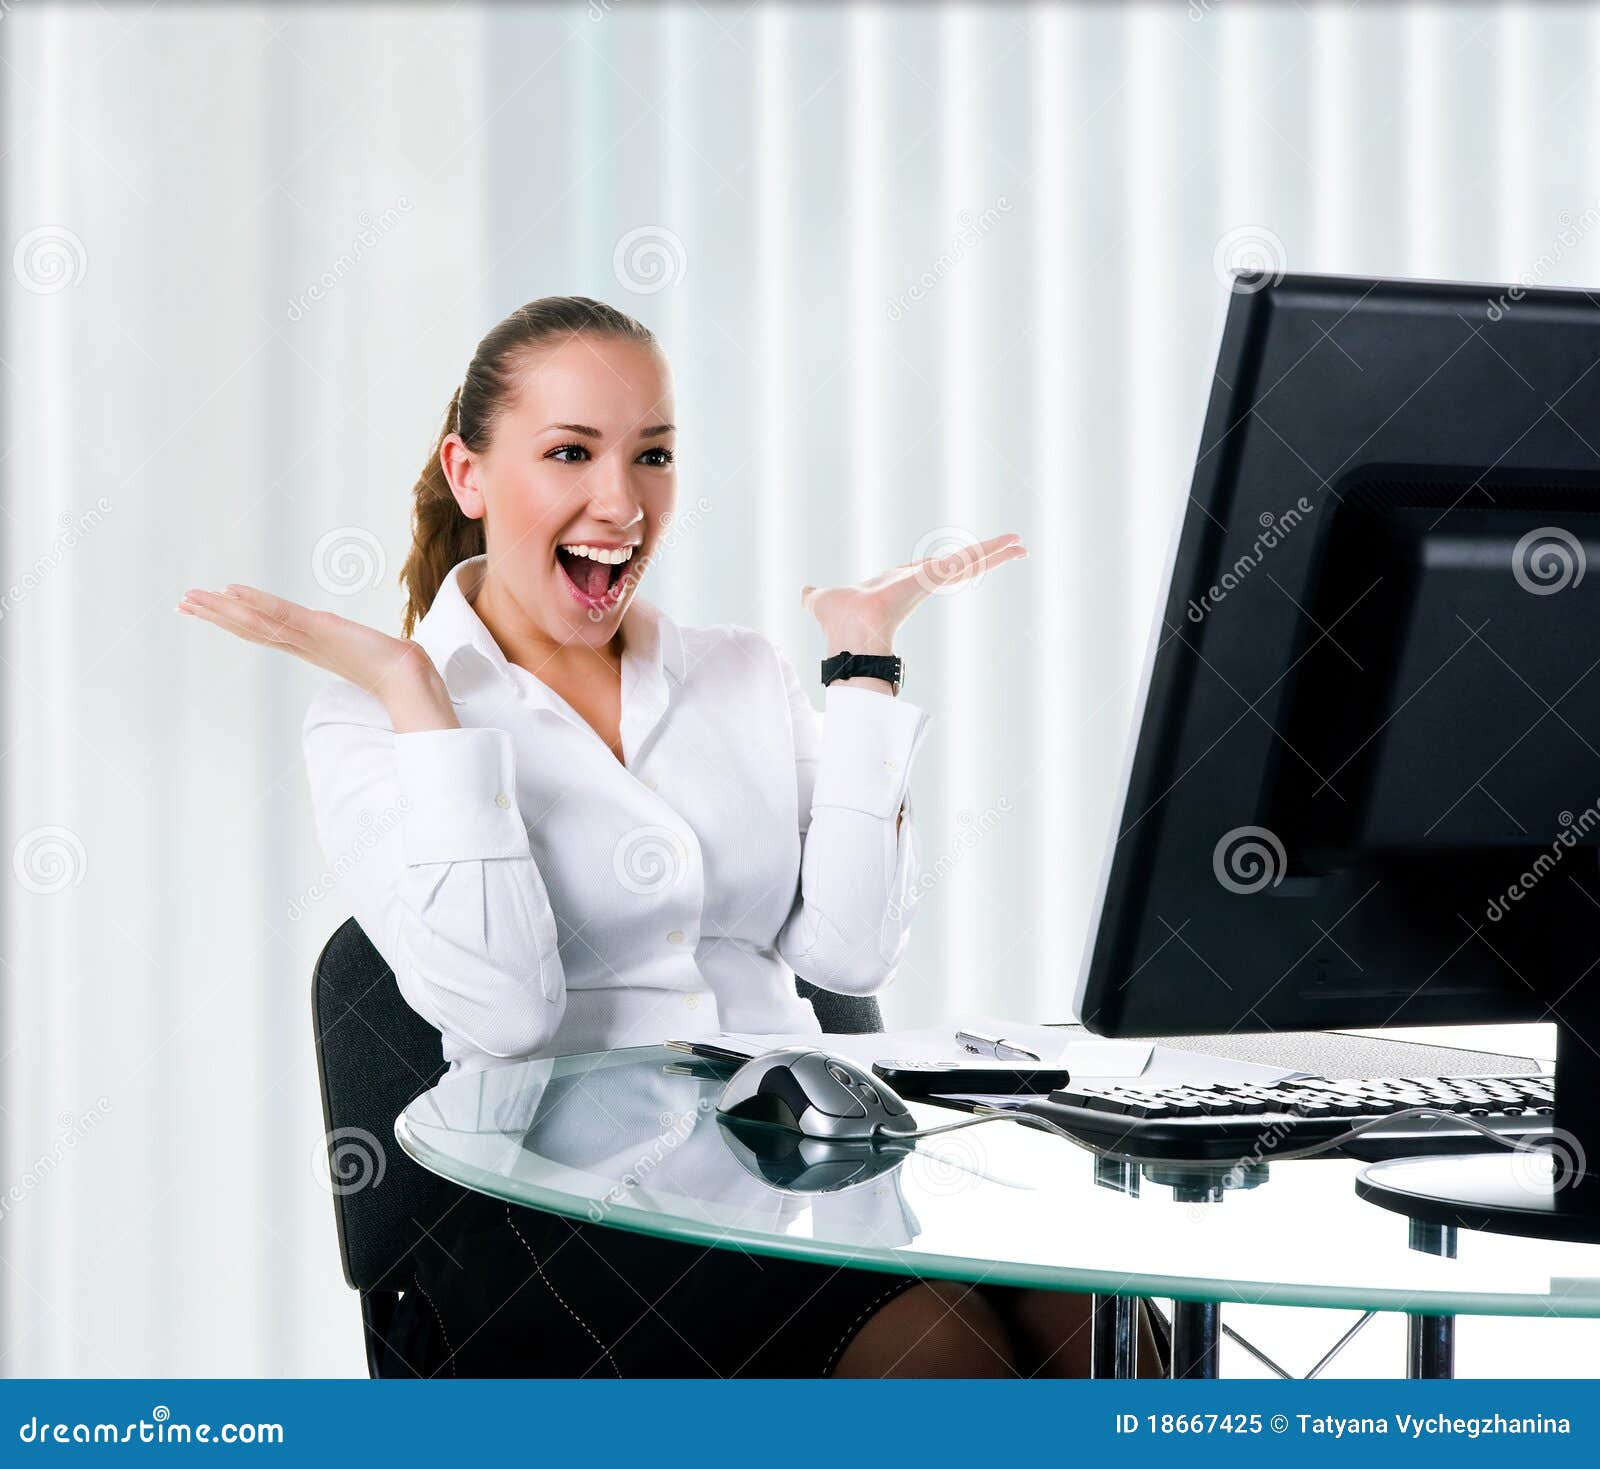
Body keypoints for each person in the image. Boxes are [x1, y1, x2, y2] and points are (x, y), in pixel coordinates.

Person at [180, 295, 1164, 1378]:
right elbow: (506, 1015)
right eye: (570, 452)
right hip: (552, 1208)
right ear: (467, 473)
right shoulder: (375, 719)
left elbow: (847, 955)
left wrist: (863, 665)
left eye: (652, 455)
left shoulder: (741, 670)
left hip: (795, 1174)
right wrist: (423, 697)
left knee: (1102, 1320)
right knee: (941, 1355)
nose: (622, 501)